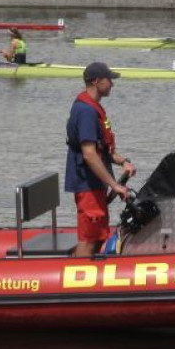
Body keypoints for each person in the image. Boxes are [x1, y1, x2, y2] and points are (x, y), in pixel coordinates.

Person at [65, 61, 137, 257]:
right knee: (88, 240)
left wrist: (123, 162)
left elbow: (103, 150)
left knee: (98, 237)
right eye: (109, 80)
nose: (112, 84)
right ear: (96, 81)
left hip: (96, 184)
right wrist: (115, 185)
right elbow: (89, 154)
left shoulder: (93, 109)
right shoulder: (86, 112)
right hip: (87, 185)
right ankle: (77, 280)